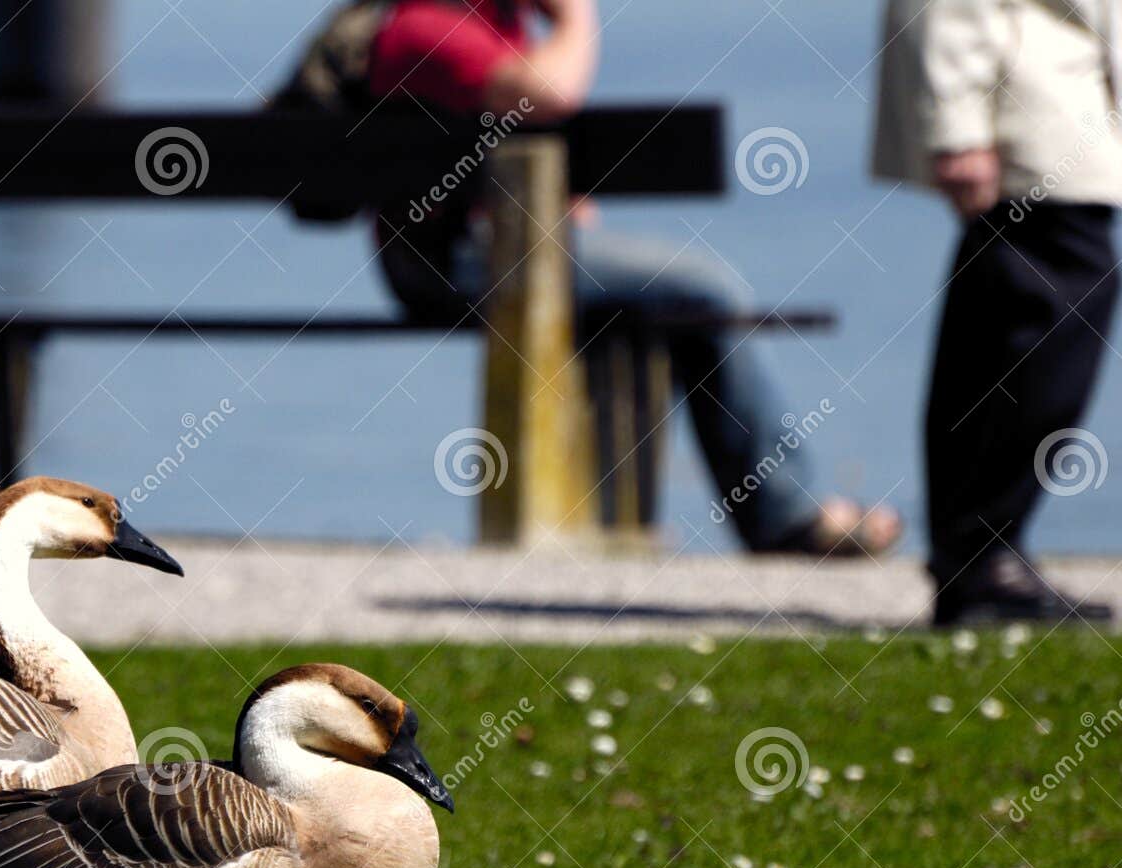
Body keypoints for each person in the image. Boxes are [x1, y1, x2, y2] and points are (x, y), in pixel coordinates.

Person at [284, 0, 901, 555]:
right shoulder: (426, 28)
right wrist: (577, 17)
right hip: (454, 265)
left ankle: (754, 513)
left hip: (486, 249)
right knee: (707, 288)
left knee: (675, 302)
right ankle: (780, 513)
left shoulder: (477, 25)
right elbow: (547, 92)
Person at [874, 0, 1120, 624]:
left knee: (999, 321)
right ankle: (981, 557)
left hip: (1052, 98)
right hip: (1028, 105)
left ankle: (979, 559)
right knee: (1043, 310)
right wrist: (956, 122)